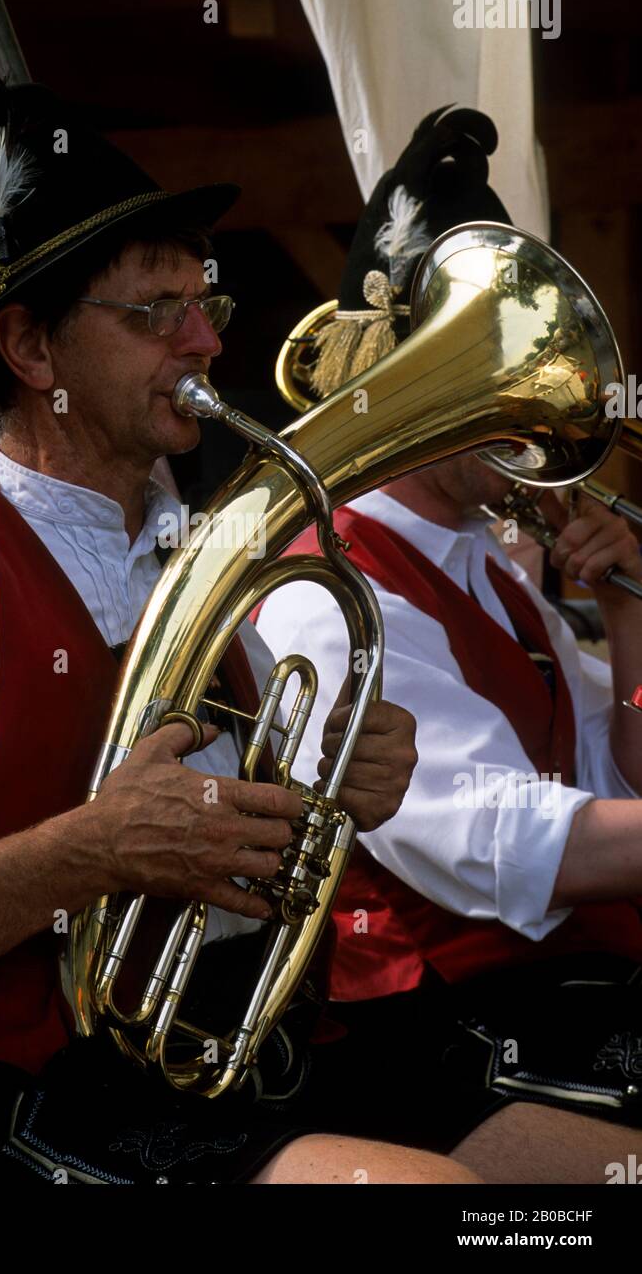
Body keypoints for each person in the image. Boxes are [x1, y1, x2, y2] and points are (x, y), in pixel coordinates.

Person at [0, 65, 477, 1187]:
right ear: (34, 351)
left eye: (208, 303)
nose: (205, 340)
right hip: (17, 1120)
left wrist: (327, 788)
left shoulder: (198, 551)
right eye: (157, 311)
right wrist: (90, 848)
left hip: (244, 1069)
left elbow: (213, 860)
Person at [256, 106, 642, 1184]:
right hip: (439, 1049)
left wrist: (625, 614)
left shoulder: (495, 572)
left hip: (563, 1009)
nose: (529, 410)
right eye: (498, 376)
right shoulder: (325, 590)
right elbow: (492, 839)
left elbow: (621, 774)